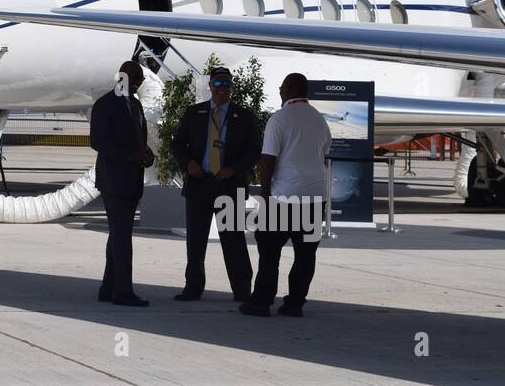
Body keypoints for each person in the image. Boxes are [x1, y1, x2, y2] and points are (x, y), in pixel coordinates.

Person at [240, 73, 331, 318]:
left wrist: (266, 191)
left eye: (281, 88)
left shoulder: (279, 119)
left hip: (284, 195)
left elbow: (268, 158)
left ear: (290, 89)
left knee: (269, 251)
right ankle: (295, 304)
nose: (279, 91)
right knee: (306, 253)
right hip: (314, 196)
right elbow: (324, 151)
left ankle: (261, 302)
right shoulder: (320, 120)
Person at [170, 66, 261, 302]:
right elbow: (177, 145)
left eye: (227, 84)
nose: (223, 89)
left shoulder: (244, 116)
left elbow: (254, 151)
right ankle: (193, 288)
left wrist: (233, 169)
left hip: (229, 186)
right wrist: (188, 163)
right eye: (218, 84)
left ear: (232, 87)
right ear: (210, 86)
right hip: (200, 184)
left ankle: (242, 290)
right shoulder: (194, 113)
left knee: (233, 241)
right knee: (196, 241)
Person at [90, 59, 154, 307]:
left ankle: (109, 287)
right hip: (114, 180)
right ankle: (123, 291)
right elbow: (97, 141)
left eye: (141, 81)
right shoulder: (106, 104)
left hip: (131, 179)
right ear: (123, 77)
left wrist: (146, 153)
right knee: (122, 236)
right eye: (136, 80)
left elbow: (137, 137)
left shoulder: (134, 105)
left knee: (118, 235)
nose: (138, 84)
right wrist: (129, 156)